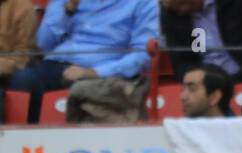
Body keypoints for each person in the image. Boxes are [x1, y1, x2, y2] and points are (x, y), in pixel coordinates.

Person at [8, 0, 158, 122]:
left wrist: (95, 72)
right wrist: (67, 10)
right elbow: (43, 44)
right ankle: (25, 147)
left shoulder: (143, 3)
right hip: (57, 63)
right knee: (22, 80)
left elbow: (143, 56)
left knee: (82, 91)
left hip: (103, 71)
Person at [162, 0, 242, 84]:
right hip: (206, 85)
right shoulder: (173, 13)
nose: (165, 4)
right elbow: (181, 63)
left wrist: (238, 79)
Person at [0, 0, 38, 86]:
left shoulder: (23, 7)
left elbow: (24, 53)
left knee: (23, 78)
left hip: (10, 66)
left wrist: (4, 64)